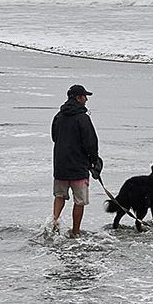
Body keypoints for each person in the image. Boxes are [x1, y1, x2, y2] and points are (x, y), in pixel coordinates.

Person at [50, 83, 100, 236]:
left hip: (60, 165)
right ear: (78, 98)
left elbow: (54, 137)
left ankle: (54, 224)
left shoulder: (58, 116)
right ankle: (75, 231)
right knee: (79, 201)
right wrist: (94, 160)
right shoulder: (82, 118)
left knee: (60, 196)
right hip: (79, 167)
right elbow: (91, 142)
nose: (86, 99)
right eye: (84, 96)